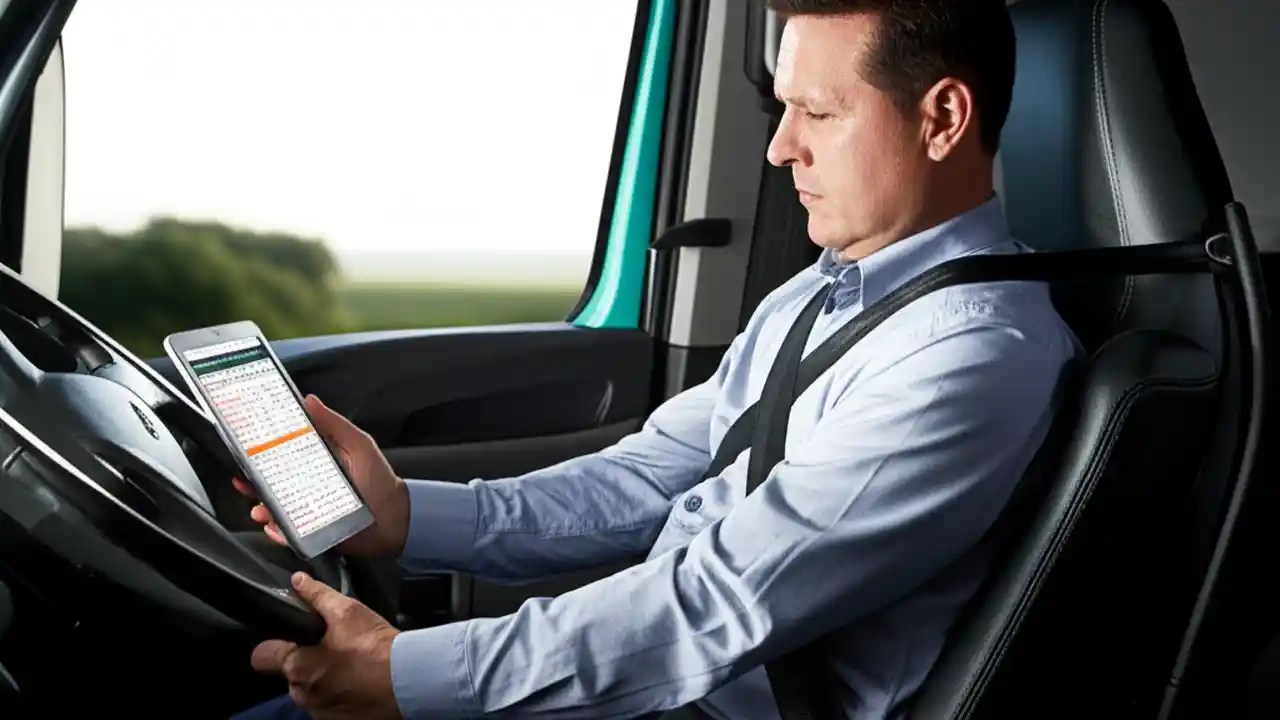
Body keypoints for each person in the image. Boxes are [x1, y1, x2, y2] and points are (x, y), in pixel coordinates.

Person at [232, 1, 1080, 718]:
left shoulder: (970, 358)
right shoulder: (824, 291)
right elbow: (648, 475)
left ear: (942, 119)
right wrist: (409, 516)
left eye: (817, 113)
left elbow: (720, 603)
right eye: (781, 109)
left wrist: (408, 676)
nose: (782, 148)